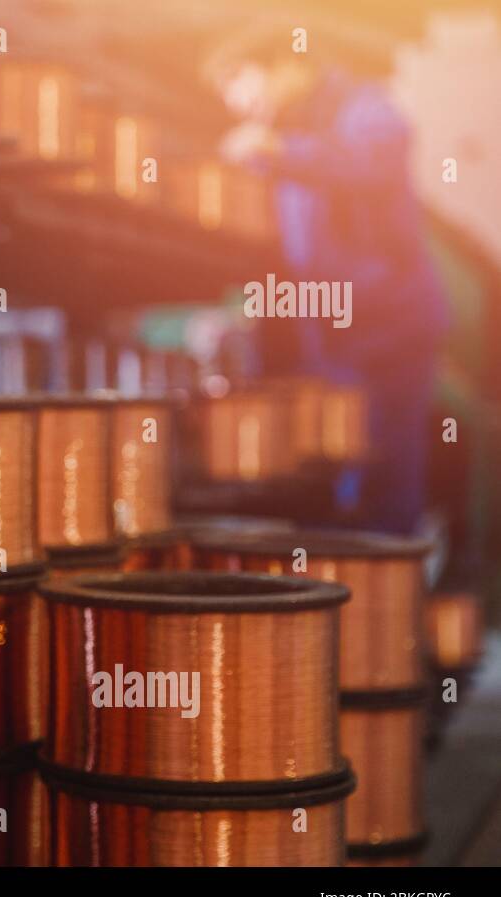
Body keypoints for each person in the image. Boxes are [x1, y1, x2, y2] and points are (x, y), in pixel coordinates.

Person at [212, 36, 450, 535]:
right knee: (335, 470)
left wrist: (278, 149)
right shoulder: (286, 137)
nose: (234, 102)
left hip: (393, 327)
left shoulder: (362, 107)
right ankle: (344, 591)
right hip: (334, 331)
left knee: (387, 469)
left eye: (235, 80)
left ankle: (384, 596)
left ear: (280, 63)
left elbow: (374, 162)